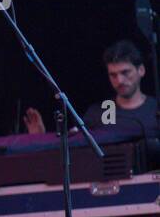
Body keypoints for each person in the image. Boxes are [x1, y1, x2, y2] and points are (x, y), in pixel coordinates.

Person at [24, 40, 160, 144]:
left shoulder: (155, 109)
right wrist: (40, 138)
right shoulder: (99, 112)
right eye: (113, 75)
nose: (119, 80)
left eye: (125, 72)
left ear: (141, 70)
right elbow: (75, 151)